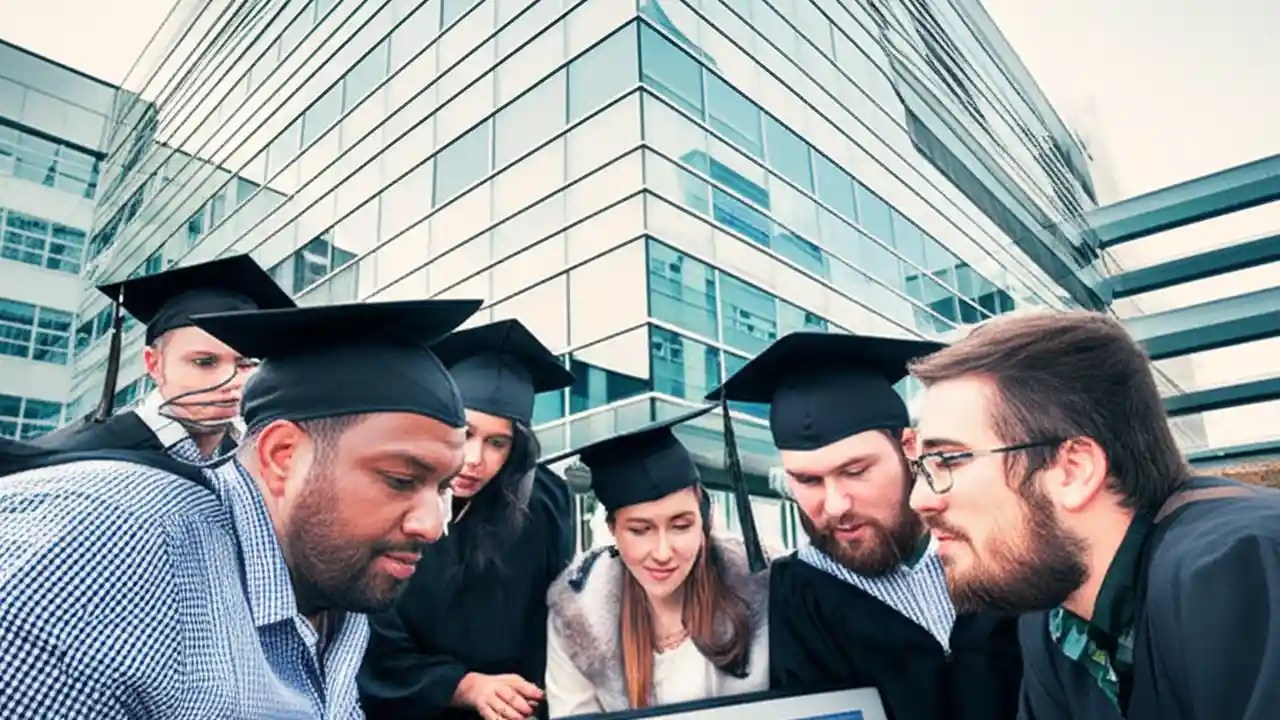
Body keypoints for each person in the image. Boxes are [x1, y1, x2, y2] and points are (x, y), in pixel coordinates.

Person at [0, 298, 481, 718]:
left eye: (443, 487)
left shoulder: (337, 584)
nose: (433, 526)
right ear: (282, 456)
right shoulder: (99, 553)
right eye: (400, 480)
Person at [906, 310, 1280, 720]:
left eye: (949, 460)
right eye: (921, 468)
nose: (920, 499)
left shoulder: (1242, 567)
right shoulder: (1054, 620)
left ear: (1073, 470)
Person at [707, 331, 1021, 720]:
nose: (836, 506)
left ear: (910, 449)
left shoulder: (998, 552)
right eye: (807, 481)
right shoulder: (795, 595)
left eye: (856, 471)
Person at [359, 318, 577, 720]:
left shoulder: (544, 500)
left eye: (497, 443)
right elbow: (371, 633)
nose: (474, 459)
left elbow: (554, 612)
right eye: (466, 433)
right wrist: (459, 685)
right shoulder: (392, 493)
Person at [543, 405, 771, 716]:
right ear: (613, 530)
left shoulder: (764, 589)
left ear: (704, 522)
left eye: (681, 526)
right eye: (640, 530)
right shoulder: (578, 617)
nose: (663, 552)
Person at [32, 254, 295, 461]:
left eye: (246, 363)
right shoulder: (82, 457)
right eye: (204, 362)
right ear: (154, 364)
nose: (231, 381)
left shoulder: (251, 455)